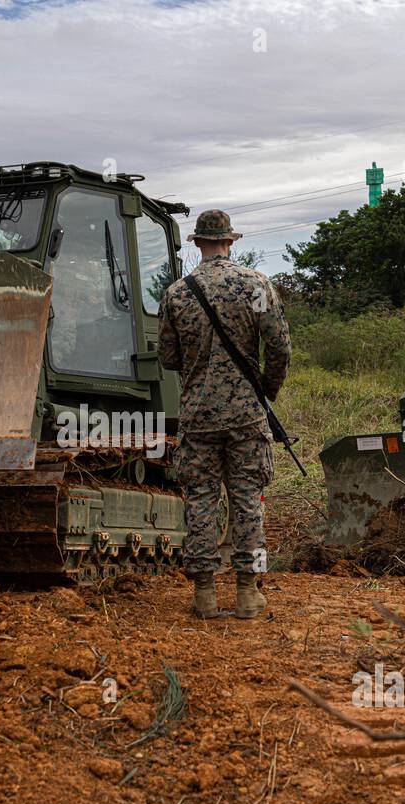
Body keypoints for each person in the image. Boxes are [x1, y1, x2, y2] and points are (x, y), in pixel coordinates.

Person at [159, 209, 291, 619]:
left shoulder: (178, 293)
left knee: (200, 499)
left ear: (197, 243)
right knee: (248, 500)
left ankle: (204, 594)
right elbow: (280, 349)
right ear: (231, 242)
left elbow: (167, 357)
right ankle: (249, 593)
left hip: (197, 416)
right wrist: (264, 391)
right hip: (247, 416)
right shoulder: (256, 285)